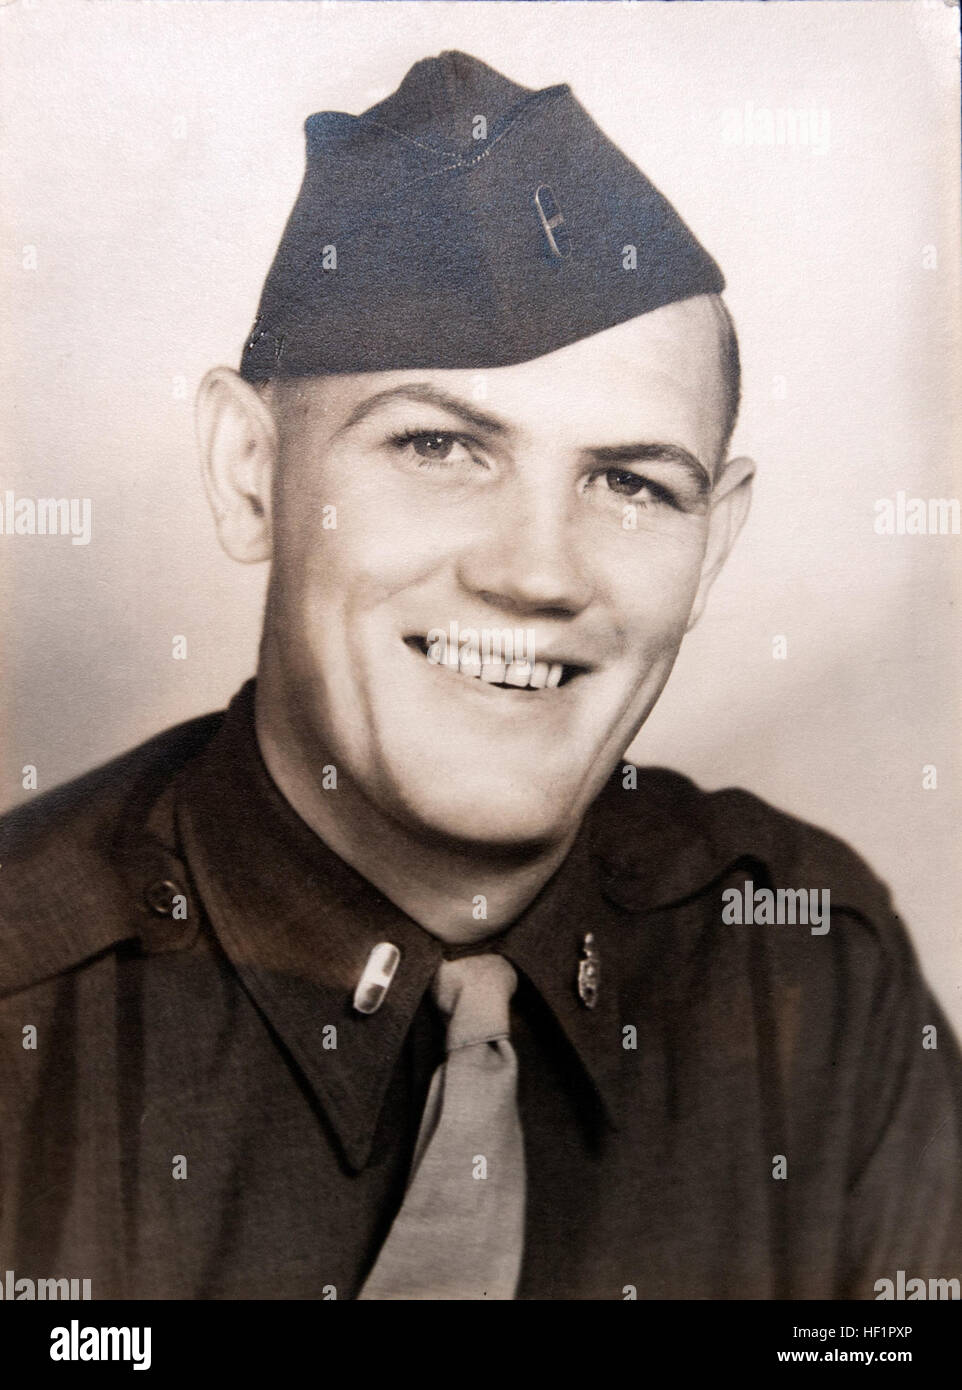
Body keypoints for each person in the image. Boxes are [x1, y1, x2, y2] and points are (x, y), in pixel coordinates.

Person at [1, 50, 960, 1301]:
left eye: (629, 483)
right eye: (439, 445)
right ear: (249, 472)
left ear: (713, 539)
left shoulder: (809, 979)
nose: (535, 573)